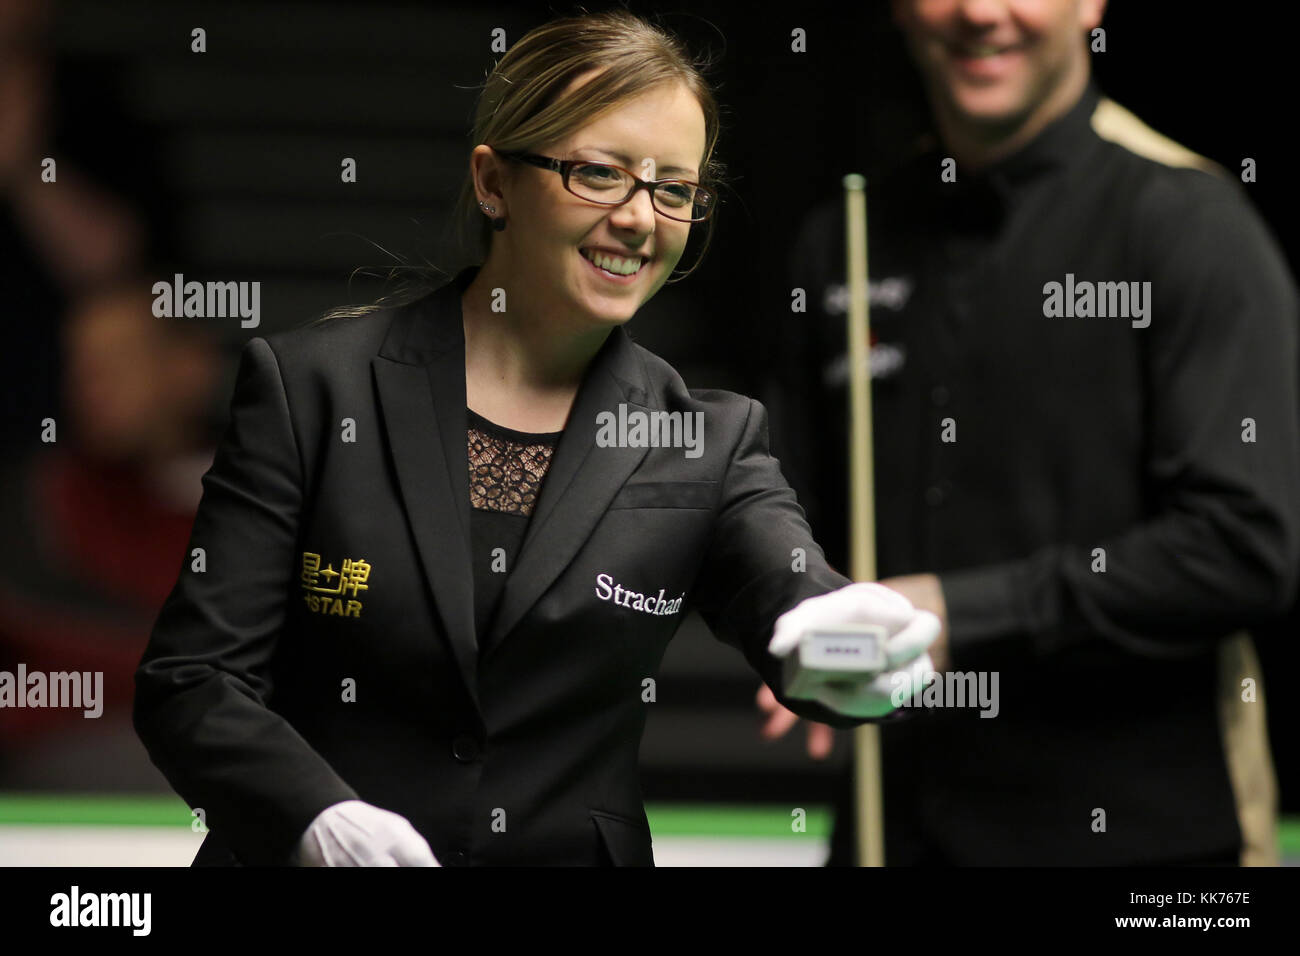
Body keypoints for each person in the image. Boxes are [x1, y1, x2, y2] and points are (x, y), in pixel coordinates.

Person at [132, 10, 940, 868]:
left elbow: (795, 594)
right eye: (600, 173)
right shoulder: (312, 388)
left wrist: (845, 643)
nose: (640, 218)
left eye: (674, 188)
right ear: (493, 180)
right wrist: (313, 817)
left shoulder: (706, 438)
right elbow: (191, 682)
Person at [760, 0, 1299, 865]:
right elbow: (789, 513)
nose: (981, 11)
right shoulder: (848, 237)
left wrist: (953, 614)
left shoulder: (1189, 223)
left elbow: (1245, 546)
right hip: (892, 836)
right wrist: (789, 611)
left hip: (1148, 857)